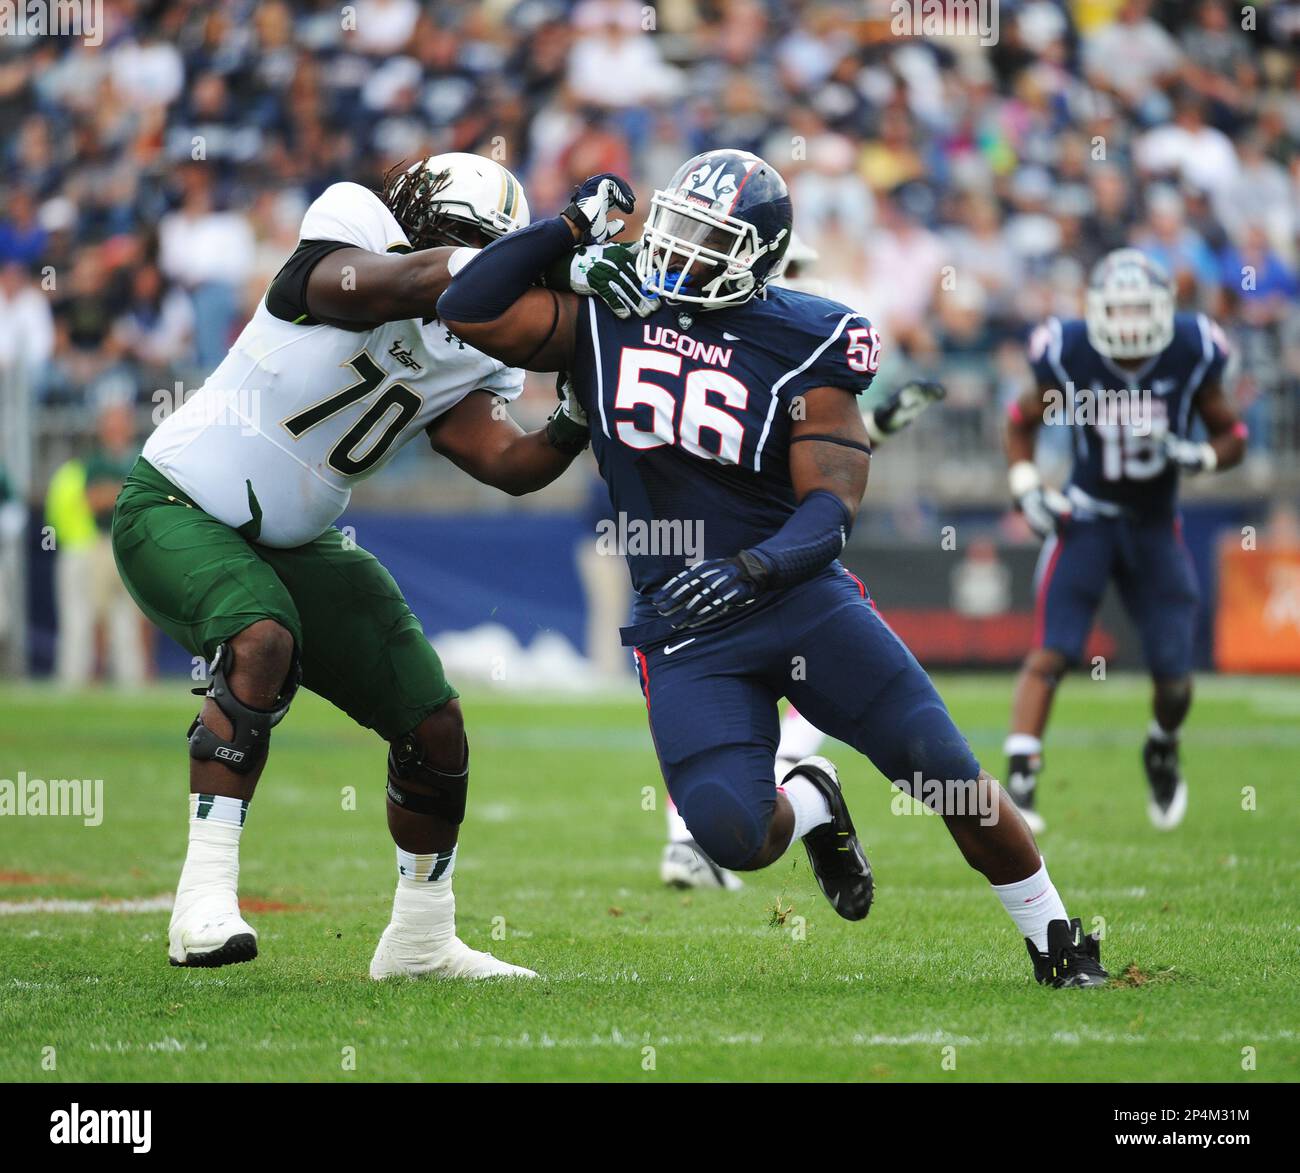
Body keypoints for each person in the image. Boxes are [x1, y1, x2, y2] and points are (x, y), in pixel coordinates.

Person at [439, 151, 1109, 987]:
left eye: (705, 240)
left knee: (950, 778)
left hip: (798, 600)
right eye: (675, 227)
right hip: (683, 624)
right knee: (729, 835)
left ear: (756, 258)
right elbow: (463, 304)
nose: (677, 251)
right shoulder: (605, 310)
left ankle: (1057, 939)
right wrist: (570, 232)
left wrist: (754, 568)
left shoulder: (807, 338)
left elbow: (830, 511)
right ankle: (818, 800)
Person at [111, 152, 648, 978]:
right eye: (478, 248)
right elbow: (394, 288)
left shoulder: (475, 347)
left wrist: (575, 415)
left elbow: (505, 459)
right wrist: (560, 238)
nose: (493, 274)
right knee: (260, 637)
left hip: (298, 543)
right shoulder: (352, 226)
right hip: (175, 503)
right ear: (424, 223)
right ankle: (202, 900)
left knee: (433, 722)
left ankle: (422, 939)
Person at [660, 232, 946, 892]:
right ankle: (709, 827)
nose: (795, 278)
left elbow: (814, 450)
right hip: (706, 547)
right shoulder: (698, 332)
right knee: (699, 699)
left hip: (780, 552)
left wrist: (882, 426)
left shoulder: (791, 333)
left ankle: (753, 809)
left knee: (812, 682)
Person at [1003, 248, 1246, 833]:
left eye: (1142, 309)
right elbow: (1019, 421)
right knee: (1052, 650)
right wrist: (1027, 485)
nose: (1132, 323)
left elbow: (1232, 432)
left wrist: (1201, 456)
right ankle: (1021, 780)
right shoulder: (1073, 350)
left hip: (1156, 524)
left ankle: (1161, 746)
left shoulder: (1190, 348)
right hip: (1085, 519)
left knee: (1174, 671)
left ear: (1164, 309)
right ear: (1097, 310)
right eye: (1121, 309)